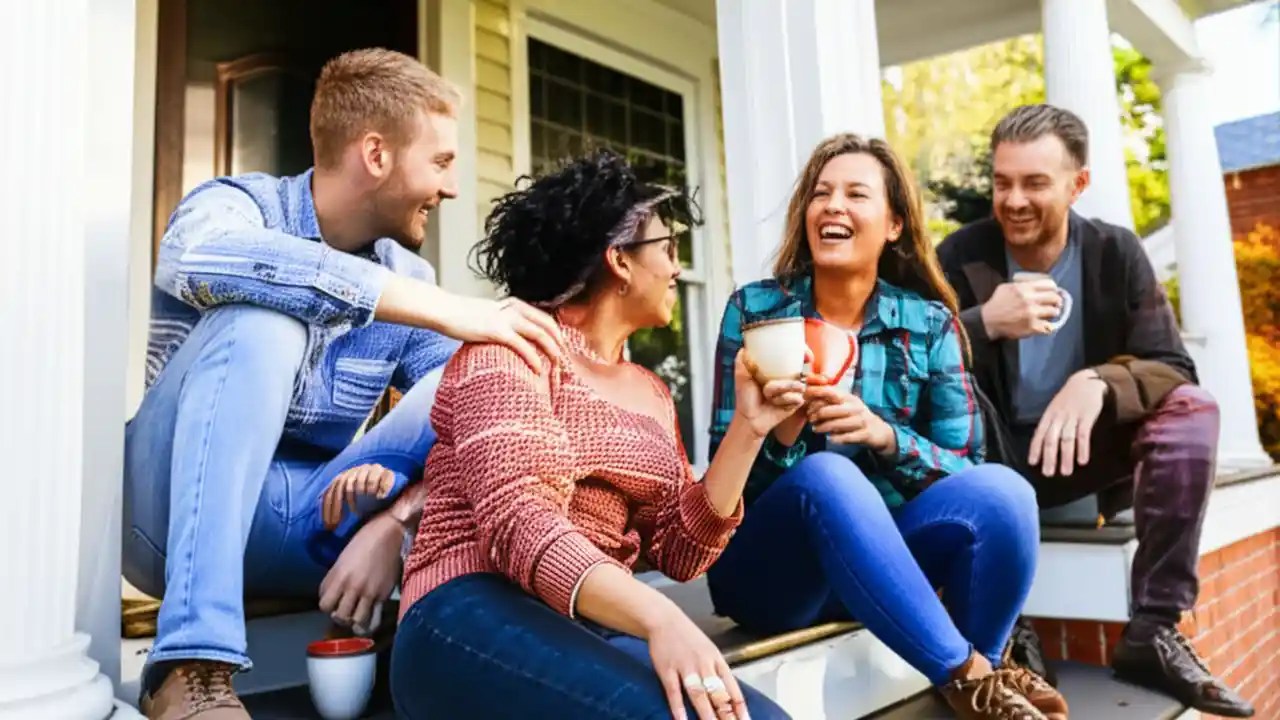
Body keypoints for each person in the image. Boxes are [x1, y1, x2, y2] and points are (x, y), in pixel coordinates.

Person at [124, 48, 565, 720]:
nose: (450, 188)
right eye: (442, 162)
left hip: (307, 523)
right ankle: (192, 664)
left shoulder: (408, 277)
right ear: (377, 156)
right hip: (163, 514)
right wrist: (441, 307)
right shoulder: (237, 206)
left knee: (473, 374)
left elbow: (458, 417)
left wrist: (396, 518)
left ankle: (418, 626)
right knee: (265, 322)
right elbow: (199, 258)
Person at [390, 150, 801, 720]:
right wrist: (660, 618)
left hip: (589, 625)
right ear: (620, 261)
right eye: (668, 248)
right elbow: (520, 524)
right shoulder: (511, 350)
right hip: (466, 612)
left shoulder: (651, 391)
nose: (678, 268)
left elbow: (679, 552)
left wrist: (749, 430)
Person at [704, 133, 1063, 720]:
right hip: (774, 577)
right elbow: (723, 488)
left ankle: (980, 686)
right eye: (821, 194)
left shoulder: (927, 323)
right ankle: (972, 675)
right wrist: (784, 433)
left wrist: (885, 435)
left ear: (894, 223)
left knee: (1006, 494)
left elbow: (964, 462)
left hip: (884, 563)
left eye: (855, 194)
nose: (833, 206)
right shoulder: (757, 312)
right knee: (826, 476)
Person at [936, 104, 1255, 718]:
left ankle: (1153, 631)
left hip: (1084, 458)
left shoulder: (1115, 250)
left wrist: (1099, 381)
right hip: (988, 460)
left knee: (1193, 408)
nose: (1014, 200)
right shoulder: (959, 254)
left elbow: (1173, 367)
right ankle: (1005, 632)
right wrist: (981, 324)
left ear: (1077, 183)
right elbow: (911, 363)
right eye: (1003, 182)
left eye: (1035, 183)